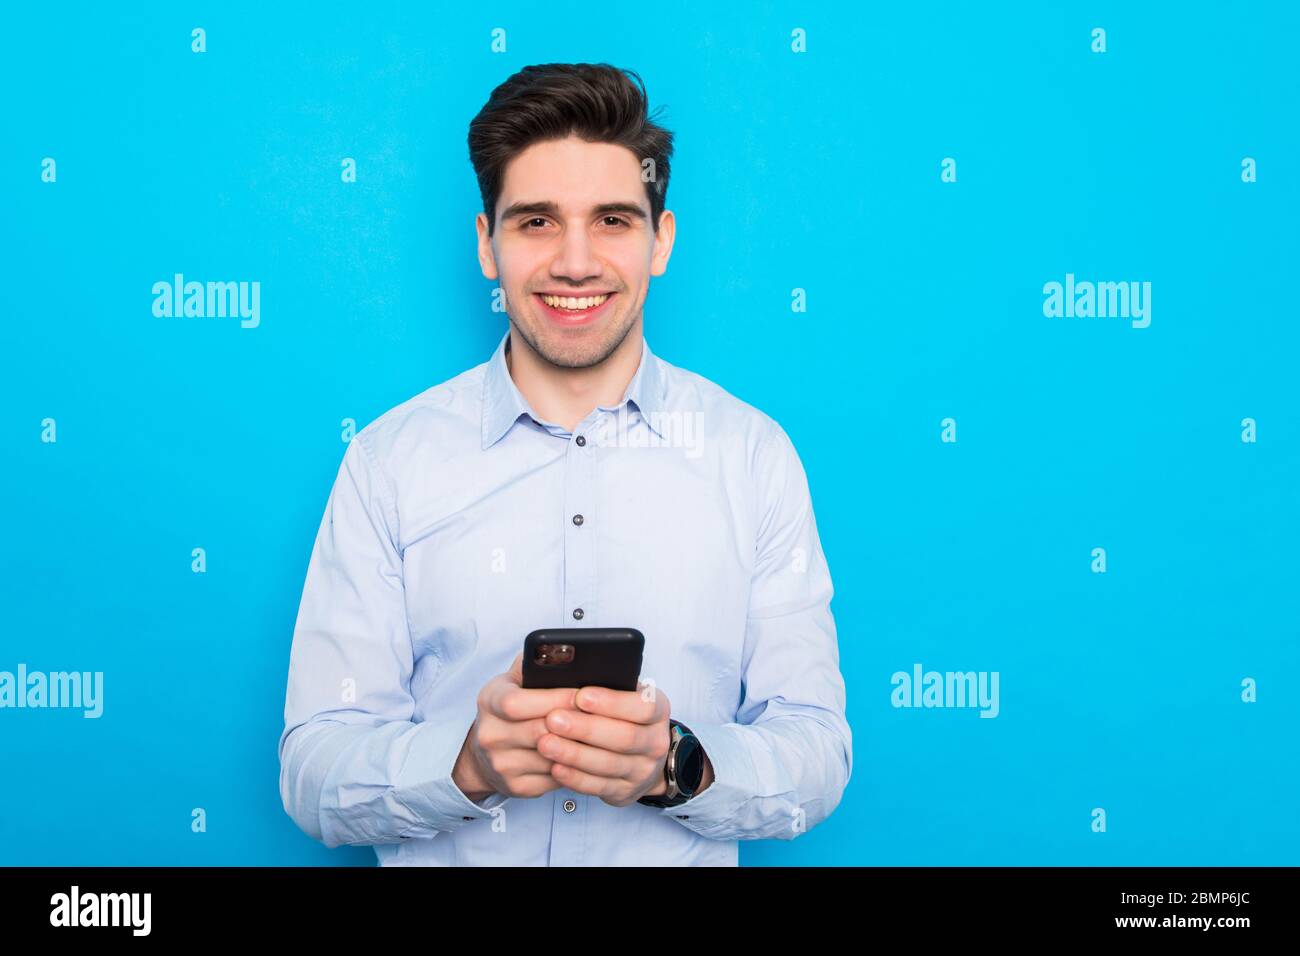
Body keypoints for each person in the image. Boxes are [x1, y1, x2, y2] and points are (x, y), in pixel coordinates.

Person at [278, 62, 851, 866]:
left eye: (613, 220)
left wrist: (675, 767)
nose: (575, 263)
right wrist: (466, 765)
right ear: (487, 245)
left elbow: (817, 748)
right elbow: (313, 768)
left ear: (662, 240)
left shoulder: (752, 457)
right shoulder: (387, 464)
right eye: (537, 222)